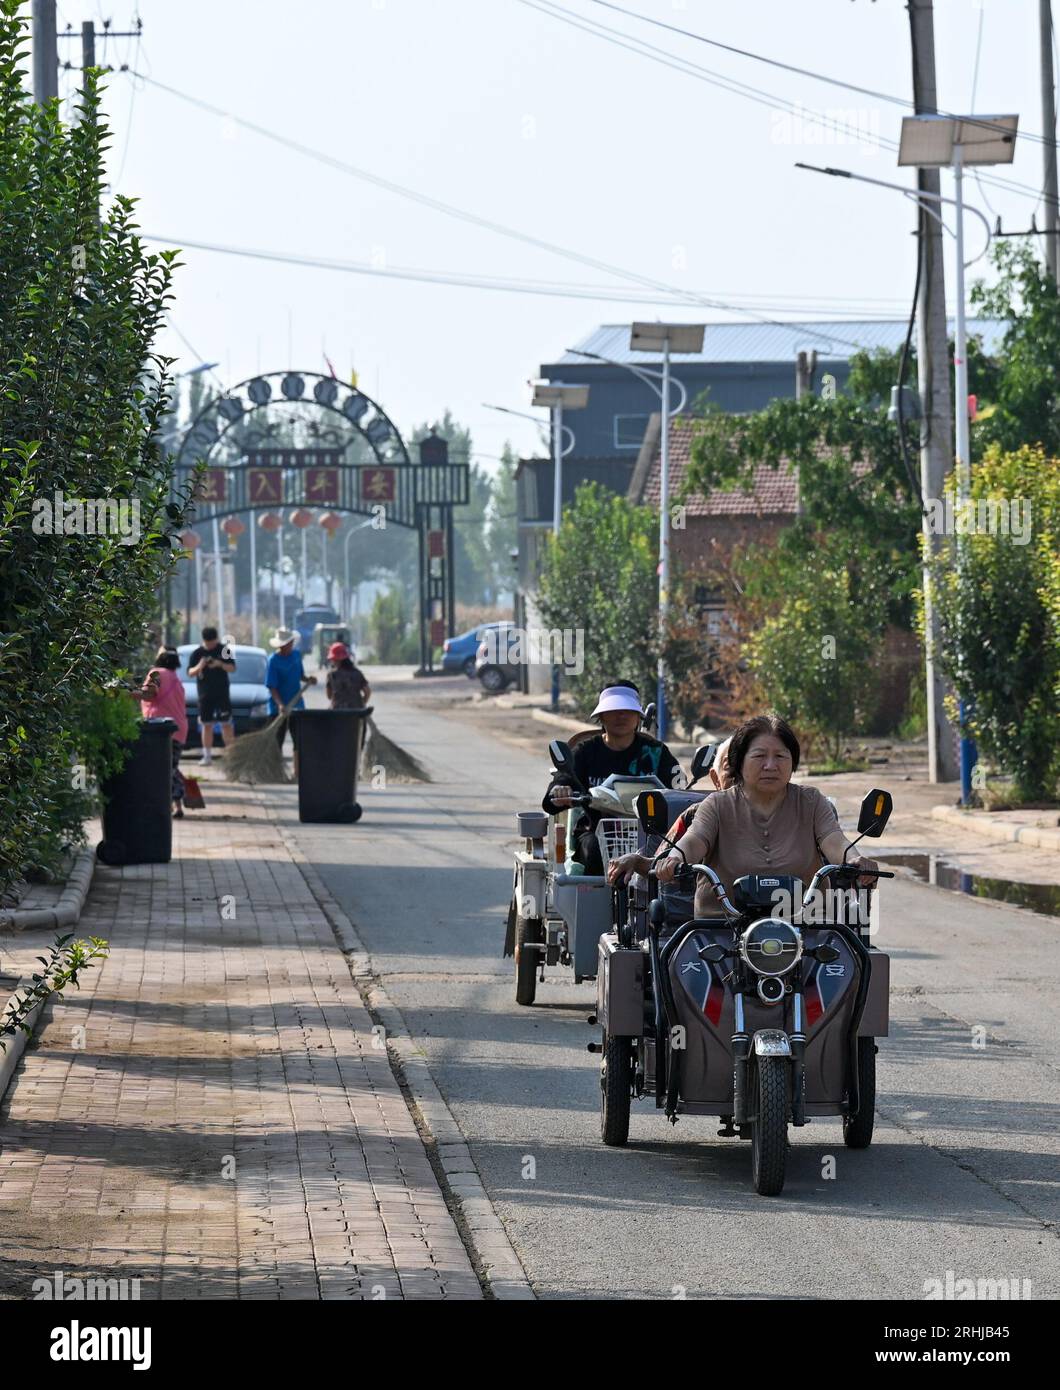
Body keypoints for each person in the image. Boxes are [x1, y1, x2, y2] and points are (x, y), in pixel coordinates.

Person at [654, 714, 877, 916]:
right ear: (739, 763)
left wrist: (853, 859)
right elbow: (694, 840)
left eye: (780, 756)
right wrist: (675, 859)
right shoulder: (717, 804)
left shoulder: (811, 801)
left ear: (793, 763)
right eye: (759, 756)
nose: (770, 765)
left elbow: (834, 840)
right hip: (722, 929)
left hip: (806, 929)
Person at [542, 681, 684, 876]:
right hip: (595, 833)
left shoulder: (656, 752)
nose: (621, 715)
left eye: (628, 710)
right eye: (614, 709)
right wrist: (560, 790)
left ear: (638, 716)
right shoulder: (585, 752)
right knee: (594, 851)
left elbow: (680, 791)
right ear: (601, 716)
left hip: (650, 837)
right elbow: (561, 783)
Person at [607, 734, 734, 886]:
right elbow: (661, 864)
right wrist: (635, 860)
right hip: (709, 907)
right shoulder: (694, 815)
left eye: (746, 762)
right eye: (730, 765)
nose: (739, 773)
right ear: (715, 778)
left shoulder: (770, 820)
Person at [139, 646, 188, 817]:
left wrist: (123, 693)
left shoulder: (156, 673)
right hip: (179, 730)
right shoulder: (175, 679)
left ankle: (163, 807)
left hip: (159, 731)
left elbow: (148, 694)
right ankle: (177, 806)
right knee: (171, 767)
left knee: (159, 769)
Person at [266, 627, 317, 771]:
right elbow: (272, 686)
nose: (283, 648)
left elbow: (300, 676)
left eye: (286, 645)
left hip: (297, 706)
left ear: (291, 643)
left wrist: (309, 679)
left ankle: (298, 772)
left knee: (299, 741)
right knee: (277, 741)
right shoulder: (273, 661)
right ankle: (276, 772)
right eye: (280, 646)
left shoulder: (296, 656)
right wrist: (280, 705)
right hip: (278, 709)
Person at [186, 625, 236, 765]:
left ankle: (230, 757)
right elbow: (190, 673)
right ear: (204, 640)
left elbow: (232, 668)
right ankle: (207, 756)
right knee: (206, 725)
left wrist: (220, 664)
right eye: (208, 643)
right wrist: (200, 666)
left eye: (213, 643)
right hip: (204, 695)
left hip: (222, 694)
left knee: (226, 724)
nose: (210, 646)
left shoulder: (224, 650)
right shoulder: (197, 653)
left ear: (216, 639)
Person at [325, 642, 371, 709]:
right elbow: (367, 691)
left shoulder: (331, 675)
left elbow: (329, 696)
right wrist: (362, 703)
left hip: (337, 712)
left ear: (335, 659)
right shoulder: (357, 673)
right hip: (356, 711)